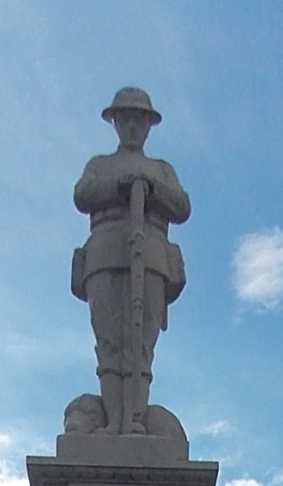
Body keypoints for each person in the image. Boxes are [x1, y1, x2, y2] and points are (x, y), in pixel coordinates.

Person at [72, 87, 190, 433]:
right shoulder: (100, 165)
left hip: (151, 255)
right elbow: (82, 195)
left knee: (141, 343)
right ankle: (113, 421)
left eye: (139, 121)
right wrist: (119, 185)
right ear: (116, 123)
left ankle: (134, 418)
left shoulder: (161, 169)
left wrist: (151, 186)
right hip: (106, 253)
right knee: (109, 340)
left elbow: (182, 206)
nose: (133, 127)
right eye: (126, 119)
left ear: (149, 125)